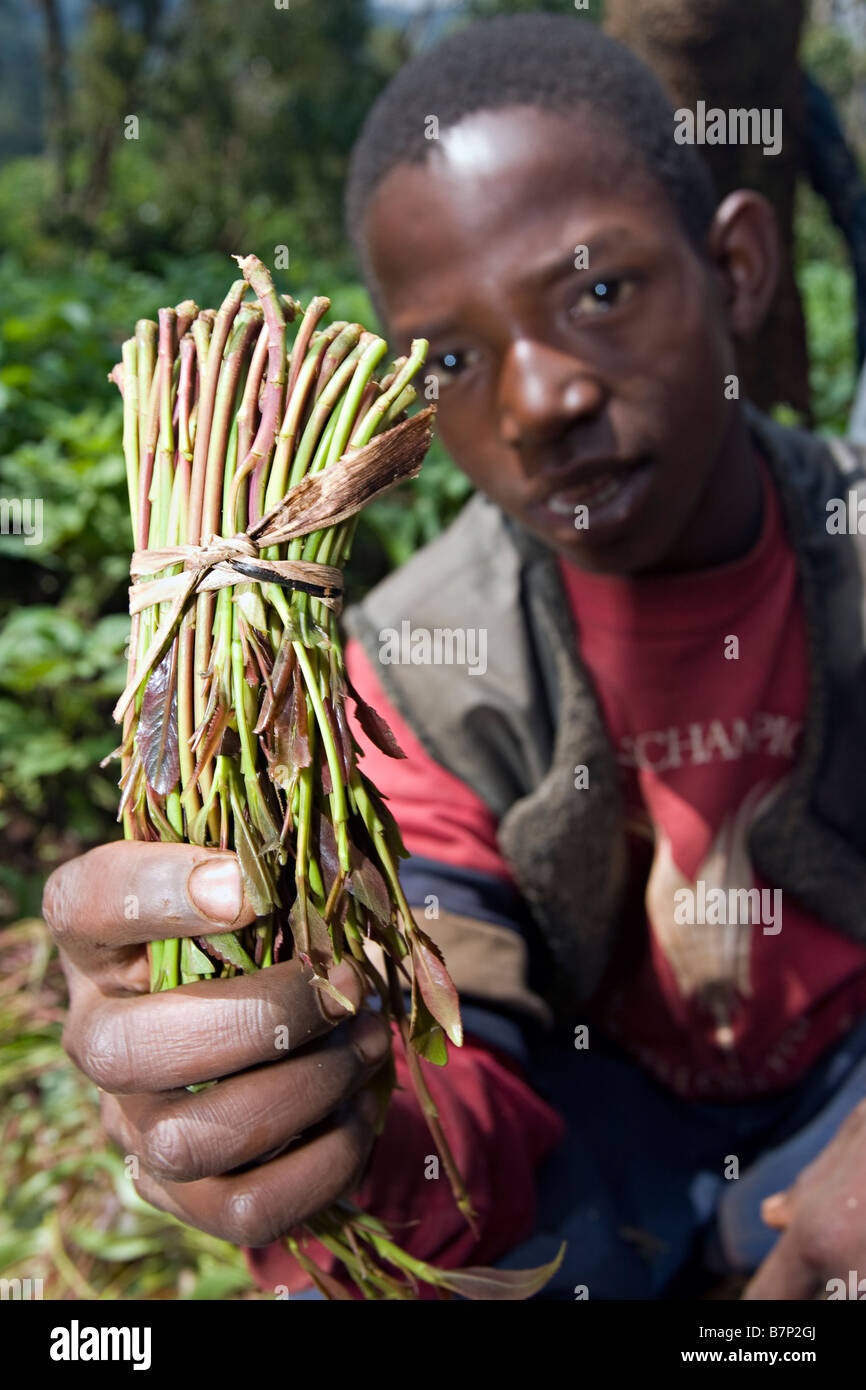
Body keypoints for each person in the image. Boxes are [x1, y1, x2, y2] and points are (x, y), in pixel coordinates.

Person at [42, 14, 866, 1301]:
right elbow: (457, 1072)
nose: (538, 399)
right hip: (598, 1144)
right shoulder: (420, 672)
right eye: (450, 358)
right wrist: (337, 1110)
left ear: (740, 268)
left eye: (596, 290)